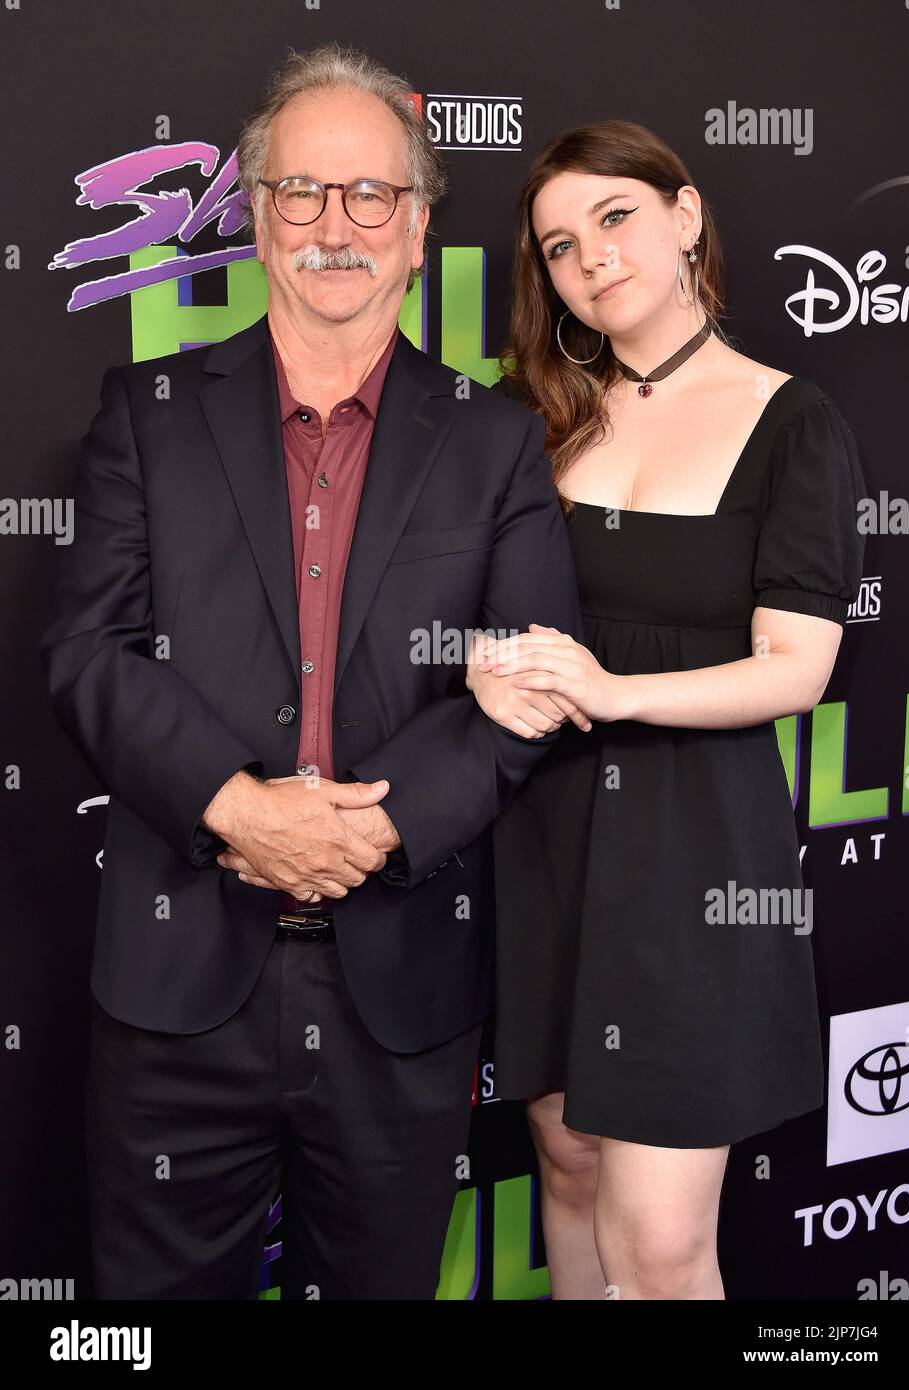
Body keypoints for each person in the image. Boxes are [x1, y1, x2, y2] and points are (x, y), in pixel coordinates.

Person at [40, 43, 584, 1300]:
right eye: (302, 191)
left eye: (372, 195)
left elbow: (531, 688)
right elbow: (88, 653)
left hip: (402, 987)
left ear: (418, 225)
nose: (336, 227)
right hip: (179, 981)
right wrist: (239, 808)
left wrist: (369, 830)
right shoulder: (145, 413)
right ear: (254, 212)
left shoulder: (498, 443)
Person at [466, 119, 867, 1300]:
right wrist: (482, 664)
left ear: (684, 217)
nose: (588, 256)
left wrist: (610, 690)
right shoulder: (528, 414)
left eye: (614, 216)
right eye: (557, 245)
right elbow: (467, 610)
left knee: (656, 1243)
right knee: (568, 1163)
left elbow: (794, 668)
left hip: (695, 857)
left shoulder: (791, 420)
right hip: (543, 838)